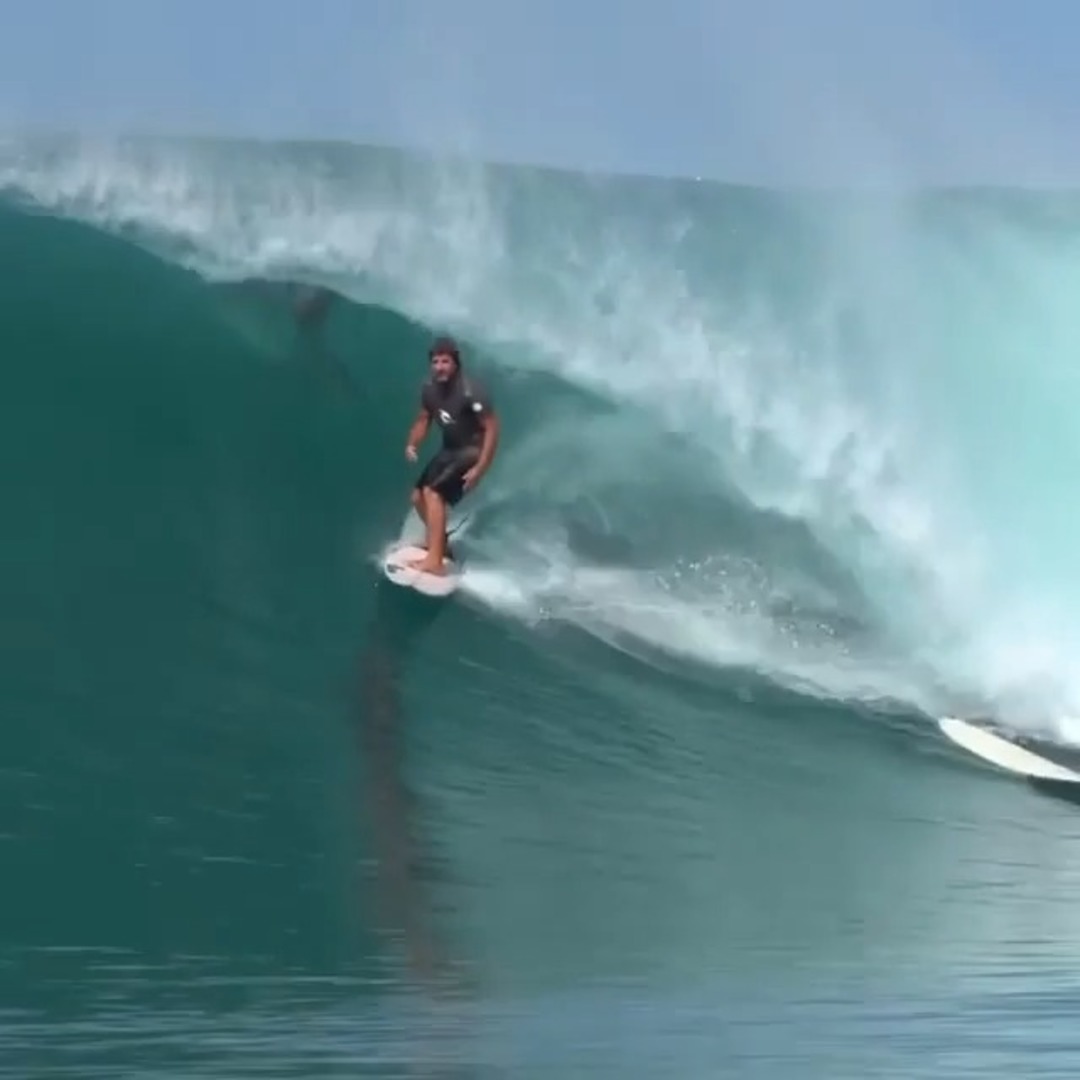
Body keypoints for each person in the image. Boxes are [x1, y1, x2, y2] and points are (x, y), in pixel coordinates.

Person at [403, 336, 499, 575]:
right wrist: (413, 443)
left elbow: (492, 427)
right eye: (435, 362)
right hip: (449, 450)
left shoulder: (471, 391)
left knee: (433, 493)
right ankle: (440, 545)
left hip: (471, 451)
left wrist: (481, 467)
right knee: (417, 497)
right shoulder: (429, 389)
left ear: (456, 363)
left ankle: (435, 561)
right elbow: (423, 419)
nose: (439, 367)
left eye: (445, 361)